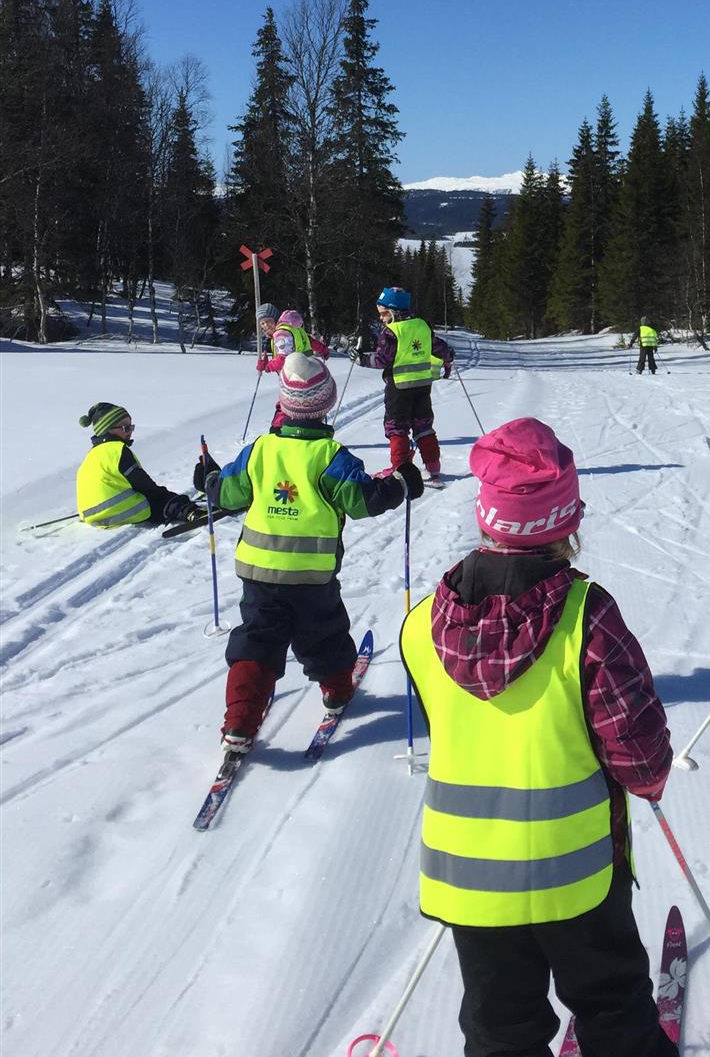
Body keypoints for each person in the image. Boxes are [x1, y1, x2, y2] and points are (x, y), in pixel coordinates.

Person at [399, 417, 680, 1057]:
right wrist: (643, 776)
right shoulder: (587, 615)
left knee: (501, 1029)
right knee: (611, 1005)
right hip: (576, 876)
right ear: (565, 519)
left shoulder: (421, 624)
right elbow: (641, 761)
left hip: (470, 883)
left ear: (487, 514)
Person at [201, 351, 423, 754]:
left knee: (256, 641)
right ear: (327, 406)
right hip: (311, 576)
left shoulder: (260, 450)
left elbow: (229, 493)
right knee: (323, 634)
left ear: (283, 405)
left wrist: (211, 479)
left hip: (259, 571)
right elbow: (363, 499)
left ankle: (239, 720)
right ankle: (337, 689)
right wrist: (402, 484)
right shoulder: (331, 458)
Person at [366, 286, 455, 484]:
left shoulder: (391, 332)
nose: (381, 319)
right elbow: (436, 345)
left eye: (382, 314)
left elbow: (382, 360)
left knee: (397, 428)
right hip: (422, 386)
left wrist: (361, 360)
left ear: (393, 311)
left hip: (398, 388)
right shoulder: (422, 325)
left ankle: (400, 469)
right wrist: (448, 353)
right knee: (423, 425)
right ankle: (433, 467)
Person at [76, 403, 201, 529]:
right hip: (120, 512)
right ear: (108, 429)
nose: (130, 431)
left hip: (90, 517)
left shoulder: (91, 455)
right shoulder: (117, 450)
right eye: (125, 428)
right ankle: (192, 513)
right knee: (159, 500)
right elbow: (144, 485)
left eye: (131, 427)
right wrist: (171, 499)